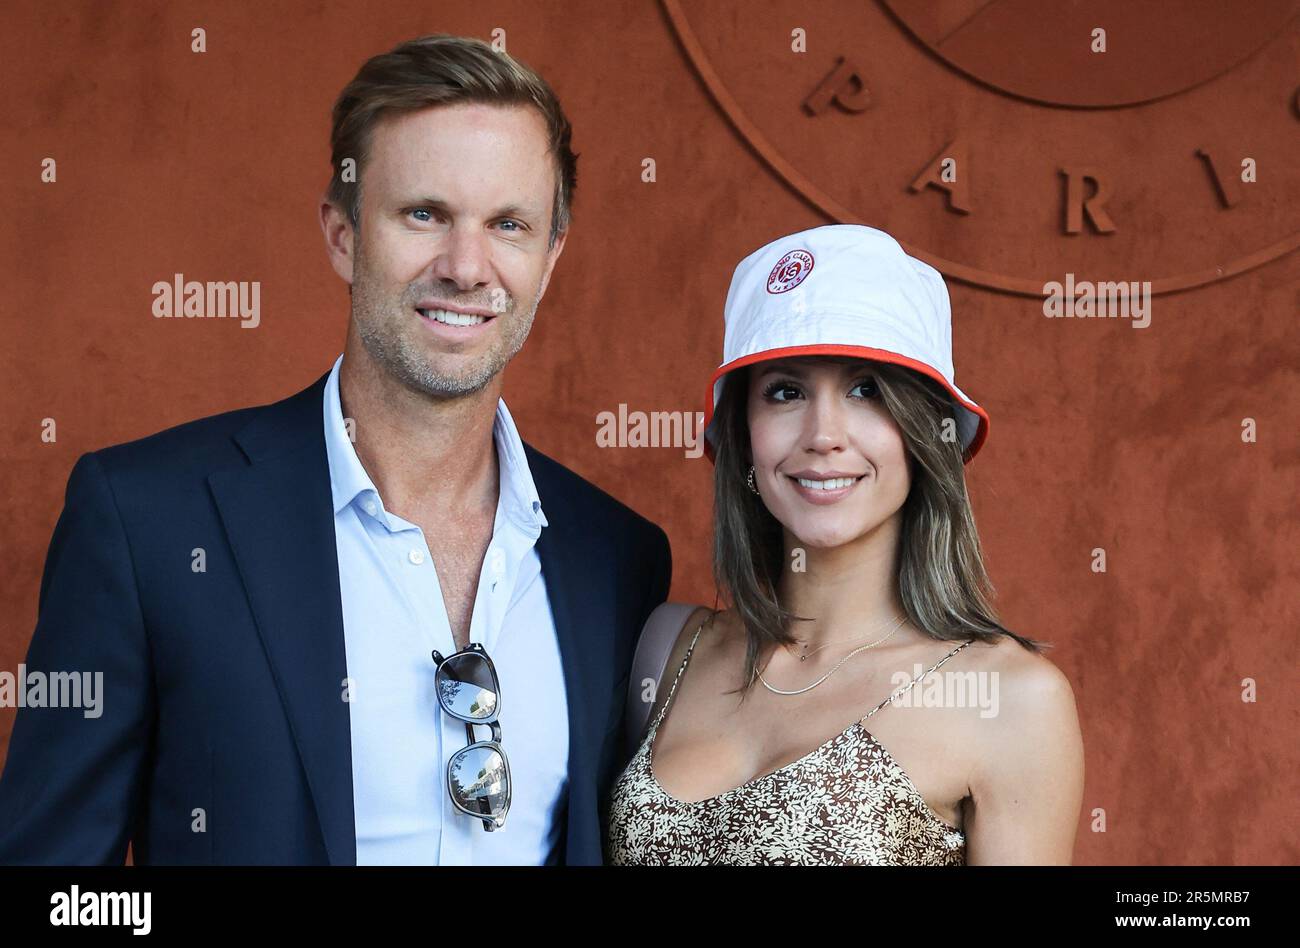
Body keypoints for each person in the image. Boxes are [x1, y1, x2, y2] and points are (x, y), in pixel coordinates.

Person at [0, 34, 670, 866]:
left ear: (551, 253)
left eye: (508, 224)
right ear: (343, 234)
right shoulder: (148, 522)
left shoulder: (618, 560)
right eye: (423, 213)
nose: (467, 266)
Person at [606, 224, 1083, 865]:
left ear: (925, 433)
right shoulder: (669, 648)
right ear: (744, 435)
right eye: (785, 391)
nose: (824, 435)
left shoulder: (1014, 699)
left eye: (866, 390)